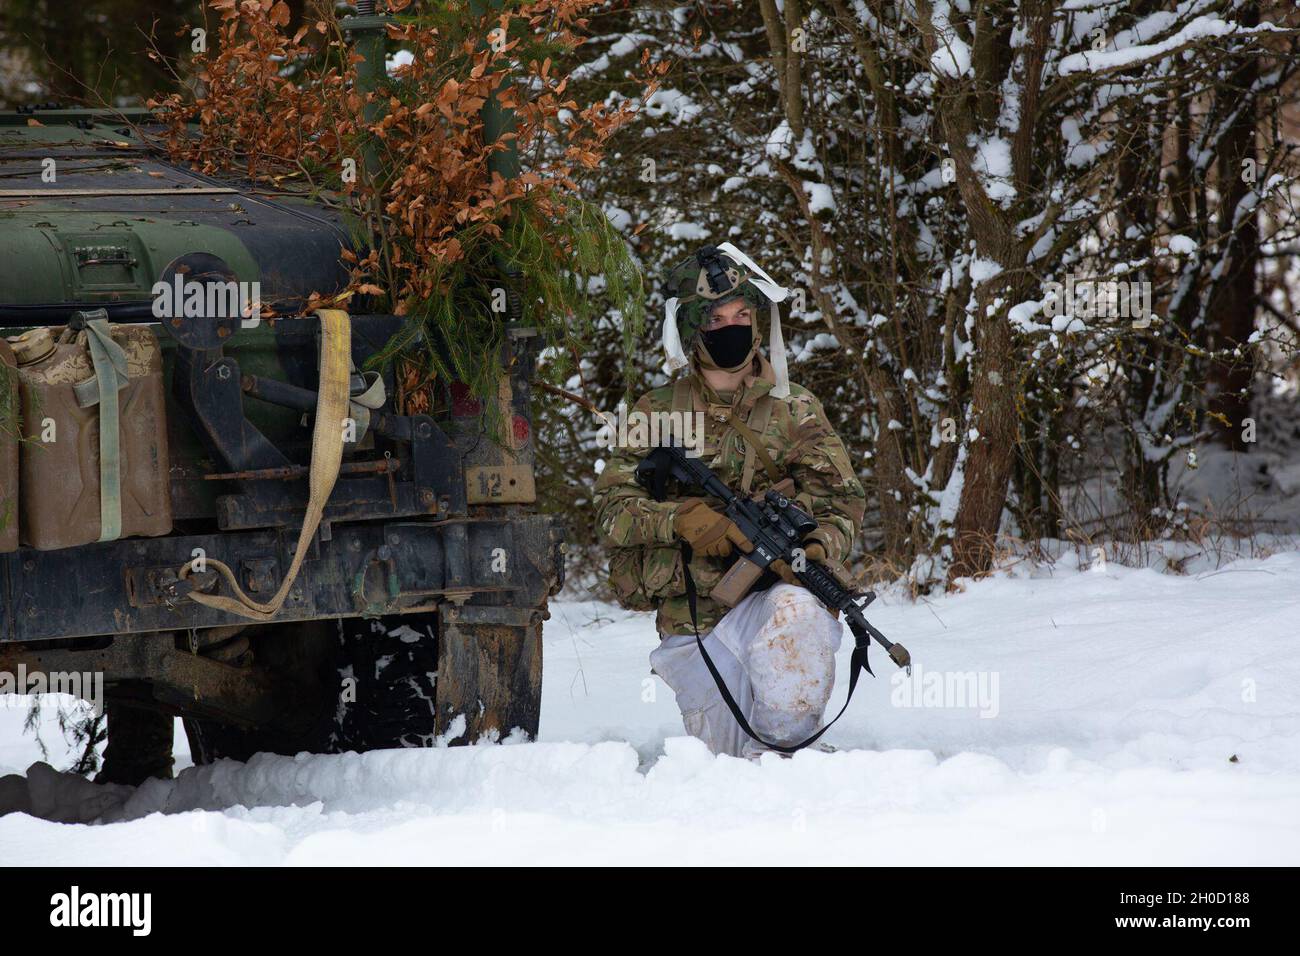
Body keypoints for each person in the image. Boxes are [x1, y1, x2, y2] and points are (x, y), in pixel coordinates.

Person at [593, 243, 866, 758]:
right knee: (722, 765)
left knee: (799, 623)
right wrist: (682, 519)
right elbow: (611, 510)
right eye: (717, 319)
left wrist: (815, 547)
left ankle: (793, 769)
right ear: (695, 329)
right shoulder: (655, 412)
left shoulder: (795, 408)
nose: (732, 328)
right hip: (695, 622)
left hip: (772, 598)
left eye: (743, 315)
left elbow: (843, 500)